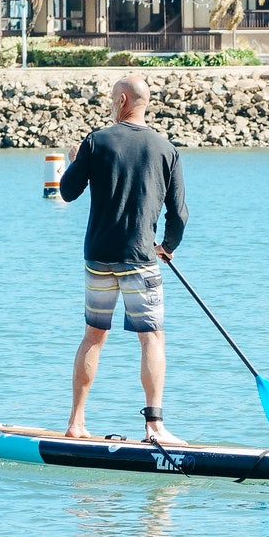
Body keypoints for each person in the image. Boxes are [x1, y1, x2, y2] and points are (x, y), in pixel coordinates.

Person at [59, 75, 189, 445]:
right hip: (141, 258)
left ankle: (76, 422)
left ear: (122, 100)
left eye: (112, 97)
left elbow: (67, 192)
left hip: (98, 257)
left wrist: (75, 161)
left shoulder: (96, 141)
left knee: (93, 336)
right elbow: (179, 214)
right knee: (152, 338)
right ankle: (154, 427)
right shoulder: (166, 149)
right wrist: (168, 246)